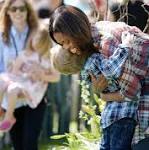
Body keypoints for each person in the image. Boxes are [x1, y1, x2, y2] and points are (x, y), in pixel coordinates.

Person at [0, 0, 59, 150]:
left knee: (29, 144)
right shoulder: (2, 37)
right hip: (12, 98)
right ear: (7, 11)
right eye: (14, 9)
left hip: (35, 98)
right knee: (17, 145)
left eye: (22, 8)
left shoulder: (40, 32)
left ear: (28, 11)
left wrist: (40, 74)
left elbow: (53, 69)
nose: (18, 12)